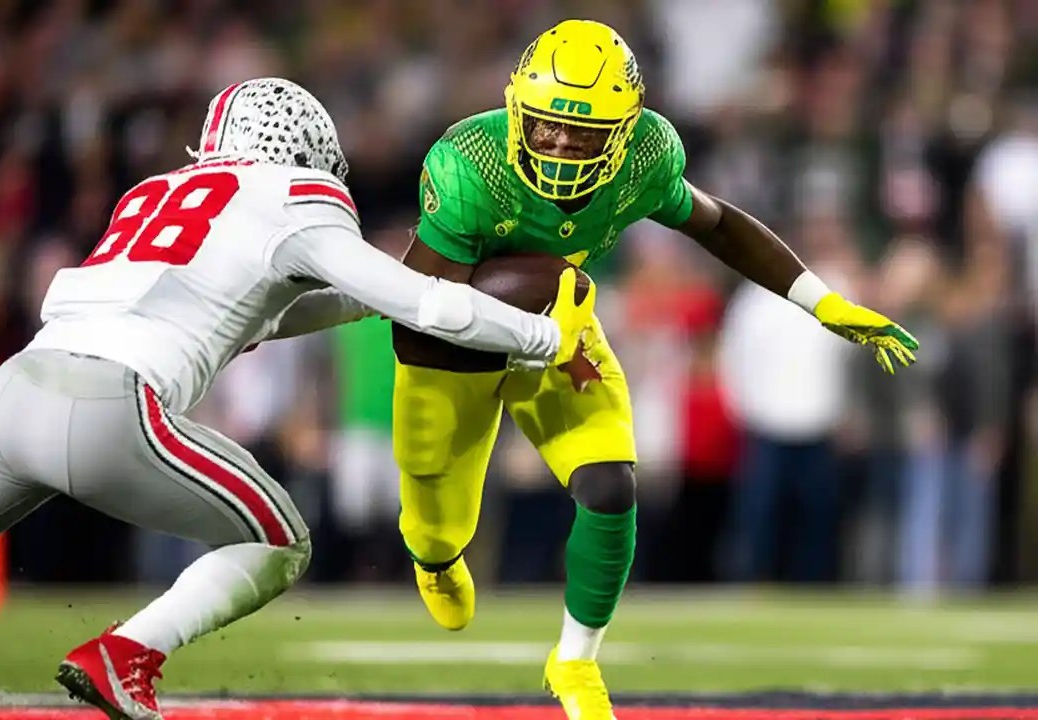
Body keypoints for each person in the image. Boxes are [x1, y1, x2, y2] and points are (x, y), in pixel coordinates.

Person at [0, 78, 596, 720]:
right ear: (303, 147)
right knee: (281, 542)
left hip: (15, 393)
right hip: (110, 405)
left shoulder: (155, 193)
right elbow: (427, 307)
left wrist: (394, 283)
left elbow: (265, 316)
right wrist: (546, 340)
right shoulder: (298, 195)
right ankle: (127, 652)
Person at [390, 20, 919, 720]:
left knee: (611, 486)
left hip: (564, 324)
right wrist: (541, 318)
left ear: (625, 131)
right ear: (518, 110)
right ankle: (433, 554)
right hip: (455, 344)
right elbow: (421, 312)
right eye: (548, 126)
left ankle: (574, 662)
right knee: (436, 519)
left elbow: (719, 223)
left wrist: (819, 301)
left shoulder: (646, 156)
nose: (561, 144)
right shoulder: (470, 162)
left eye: (584, 133)